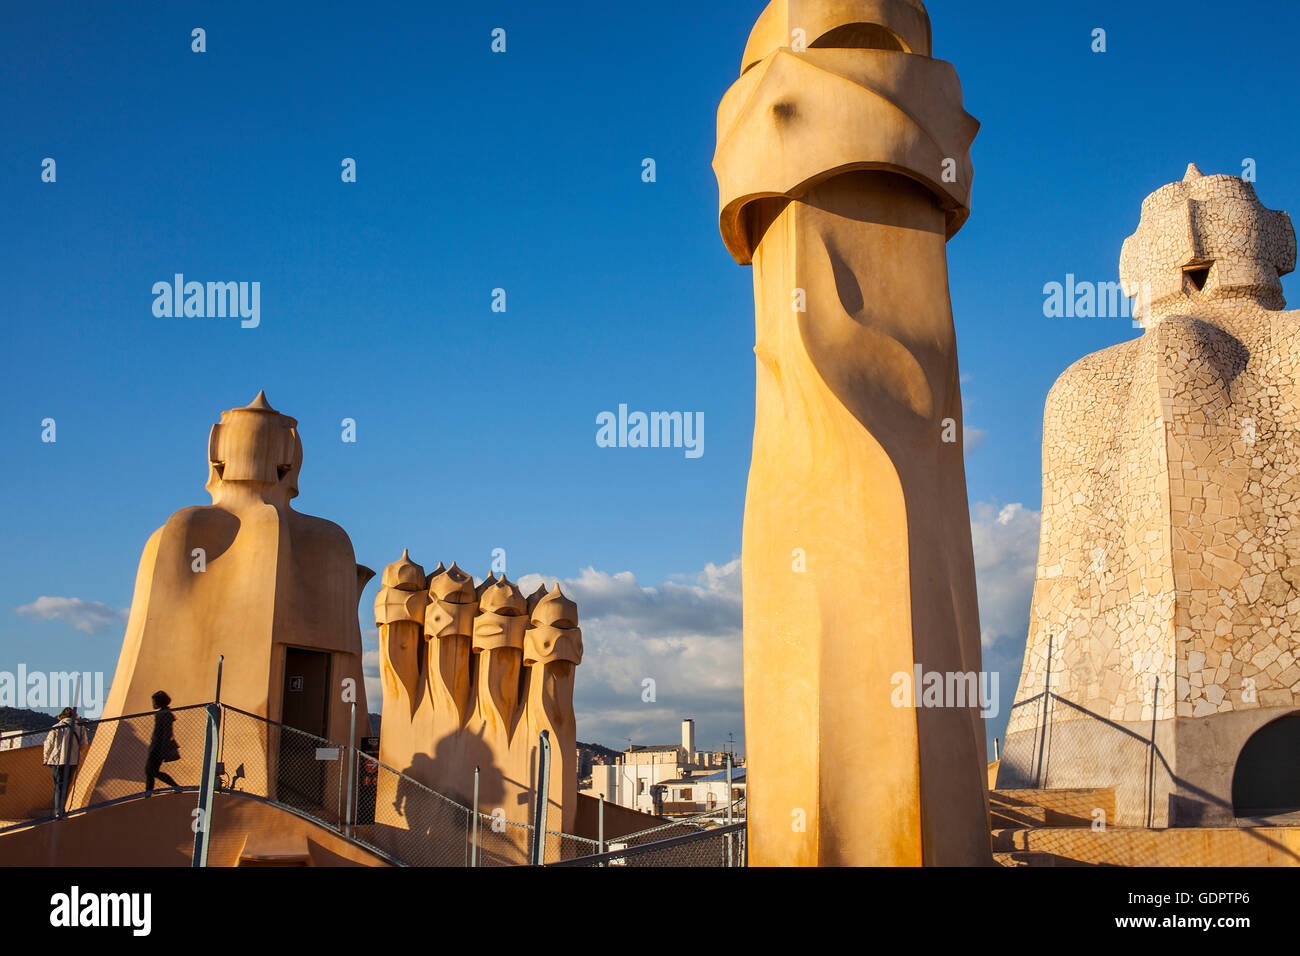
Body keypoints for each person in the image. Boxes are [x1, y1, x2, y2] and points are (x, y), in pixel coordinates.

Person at [42, 707, 88, 816]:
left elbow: (48, 745)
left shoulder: (56, 727)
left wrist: (46, 759)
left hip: (57, 760)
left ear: (62, 716)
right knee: (66, 786)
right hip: (72, 760)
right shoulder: (80, 728)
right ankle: (62, 809)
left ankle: (58, 811)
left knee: (58, 785)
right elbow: (84, 744)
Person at [144, 691, 181, 795]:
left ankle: (175, 787)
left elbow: (167, 733)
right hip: (156, 746)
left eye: (154, 701)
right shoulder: (162, 713)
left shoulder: (164, 714)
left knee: (151, 771)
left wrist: (162, 748)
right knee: (150, 771)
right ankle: (148, 793)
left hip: (158, 747)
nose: (153, 703)